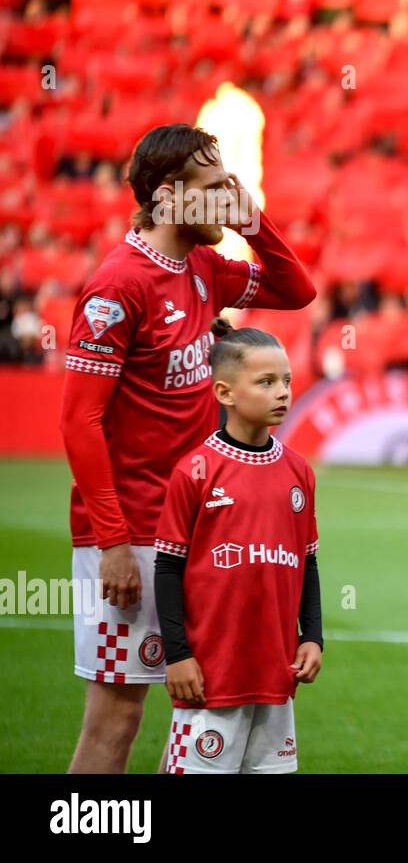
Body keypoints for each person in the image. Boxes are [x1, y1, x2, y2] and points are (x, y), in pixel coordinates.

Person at [61, 124, 315, 773]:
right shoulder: (118, 287)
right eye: (214, 188)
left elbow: (296, 290)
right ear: (171, 198)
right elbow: (79, 423)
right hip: (131, 533)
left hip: (198, 527)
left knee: (206, 699)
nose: (228, 195)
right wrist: (112, 544)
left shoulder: (203, 266)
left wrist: (251, 220)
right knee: (116, 717)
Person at [153, 321, 321, 774]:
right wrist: (178, 655)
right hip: (210, 676)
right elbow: (167, 568)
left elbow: (307, 561)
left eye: (285, 381)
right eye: (265, 383)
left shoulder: (299, 472)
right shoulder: (196, 471)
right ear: (225, 393)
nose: (282, 393)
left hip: (275, 672)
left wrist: (313, 636)